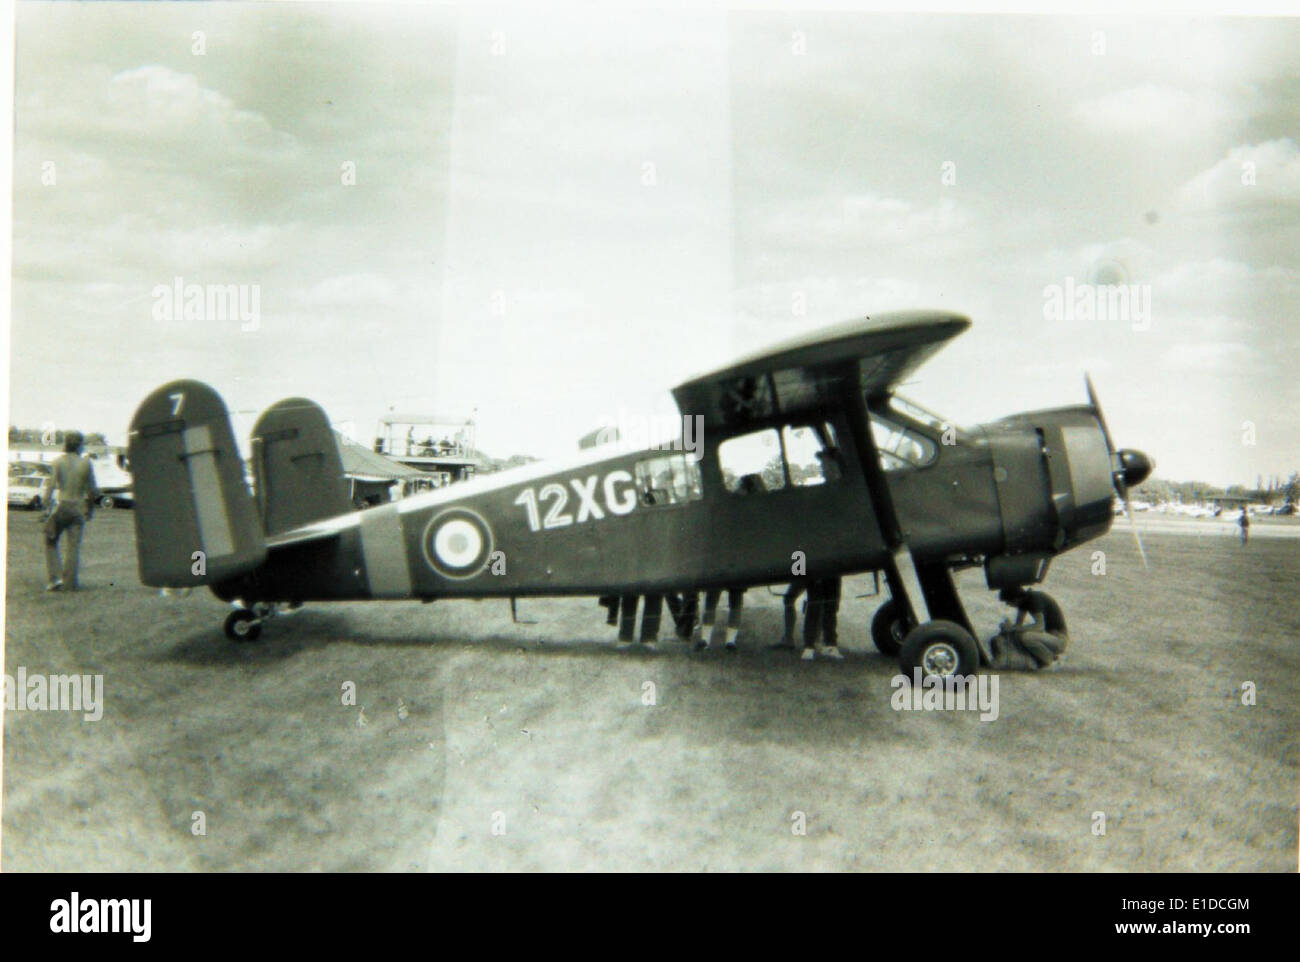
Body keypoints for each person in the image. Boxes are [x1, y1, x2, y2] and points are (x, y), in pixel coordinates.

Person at [40, 431, 100, 592]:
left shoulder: (58, 462)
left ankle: (55, 578)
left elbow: (51, 486)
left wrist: (46, 509)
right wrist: (91, 509)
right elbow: (93, 491)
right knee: (73, 547)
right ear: (79, 445)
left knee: (50, 540)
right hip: (78, 508)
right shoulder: (86, 463)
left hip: (62, 506)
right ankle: (70, 584)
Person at [986, 588, 1068, 670]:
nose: (1008, 604)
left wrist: (1012, 629)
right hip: (1048, 638)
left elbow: (1039, 627)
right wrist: (1009, 628)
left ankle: (1049, 659)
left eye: (1008, 602)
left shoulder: (1034, 600)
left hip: (1058, 639)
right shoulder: (1024, 602)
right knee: (1019, 636)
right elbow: (1018, 626)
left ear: (1016, 599)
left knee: (1027, 637)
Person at [800, 576, 844, 661]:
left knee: (831, 607)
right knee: (814, 607)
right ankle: (809, 647)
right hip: (816, 572)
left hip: (832, 572)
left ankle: (830, 645)